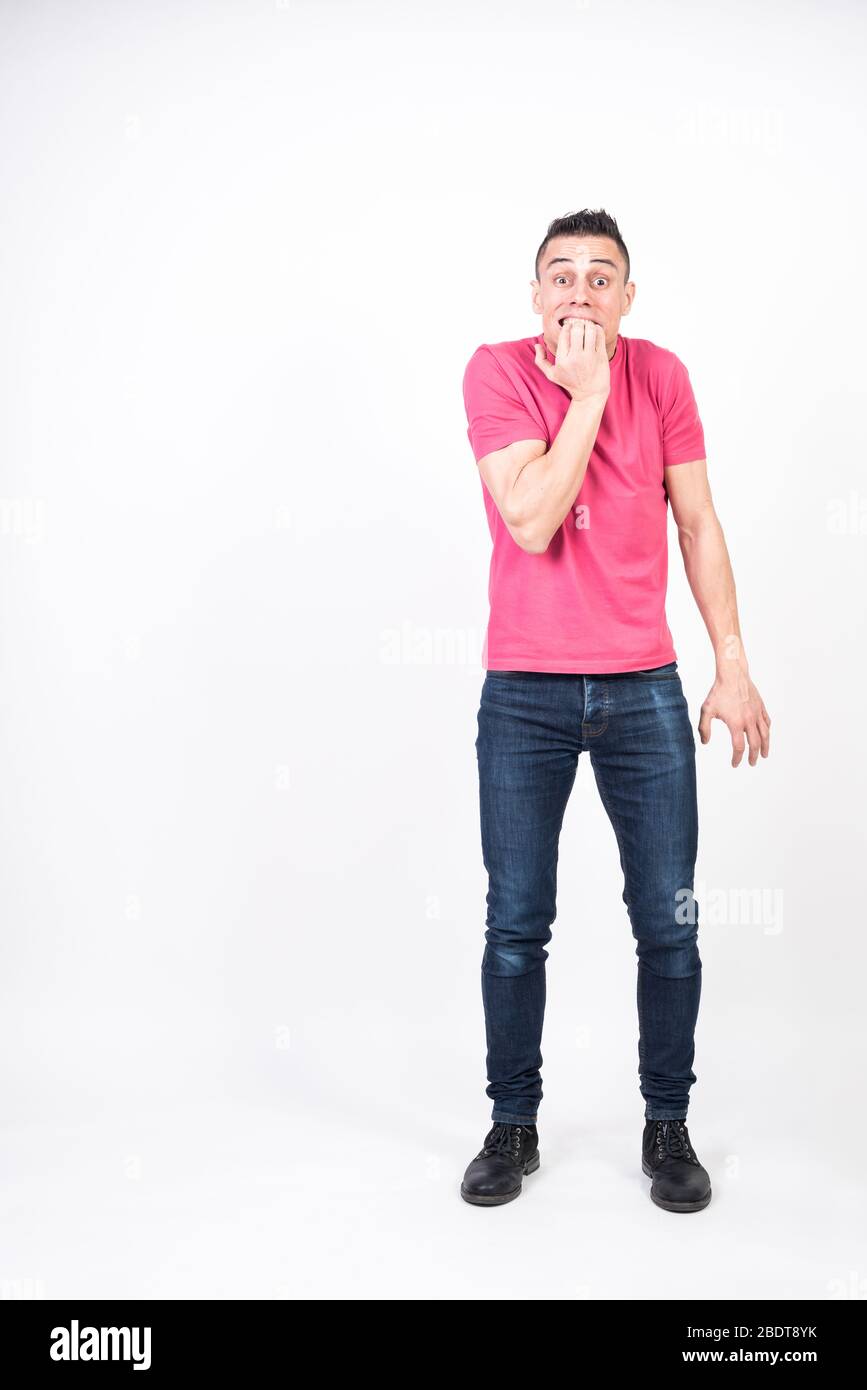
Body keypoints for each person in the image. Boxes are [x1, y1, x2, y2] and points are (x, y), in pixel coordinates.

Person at [459, 208, 771, 1212]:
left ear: (628, 299)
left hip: (642, 687)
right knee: (517, 923)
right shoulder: (497, 372)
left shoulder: (666, 376)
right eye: (563, 276)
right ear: (535, 295)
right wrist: (587, 397)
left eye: (602, 278)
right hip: (525, 694)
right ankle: (514, 1125)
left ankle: (666, 1122)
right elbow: (534, 515)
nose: (581, 293)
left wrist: (731, 663)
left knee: (669, 923)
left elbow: (699, 519)